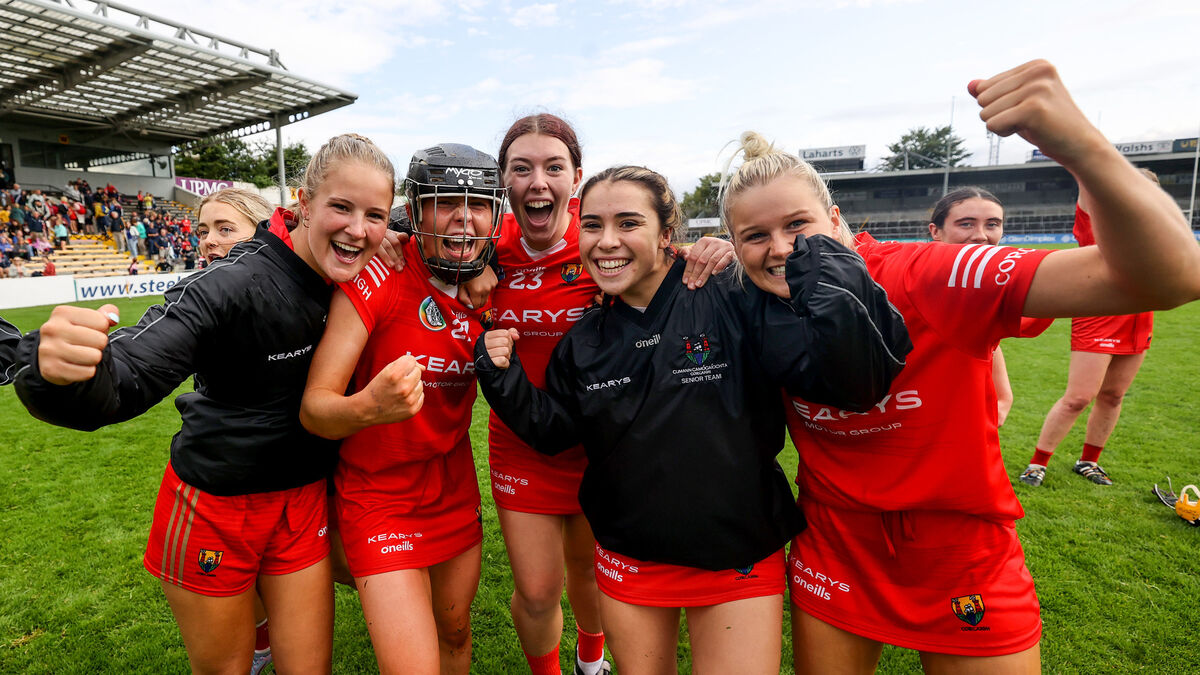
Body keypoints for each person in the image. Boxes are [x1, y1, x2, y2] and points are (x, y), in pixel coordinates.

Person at [718, 60, 1200, 673]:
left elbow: (1176, 277)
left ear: (835, 218)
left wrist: (1083, 149)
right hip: (835, 547)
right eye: (753, 235)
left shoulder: (924, 274)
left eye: (797, 224)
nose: (780, 248)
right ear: (733, 247)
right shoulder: (745, 298)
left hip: (962, 547)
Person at [476, 165, 909, 674]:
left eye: (628, 223)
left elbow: (849, 382)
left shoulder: (733, 295)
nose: (606, 241)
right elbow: (558, 432)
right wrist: (501, 377)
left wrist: (824, 273)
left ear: (667, 234)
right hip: (628, 558)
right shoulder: (585, 340)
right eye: (592, 225)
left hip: (739, 557)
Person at [12, 133, 396, 674]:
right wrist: (63, 376)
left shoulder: (358, 267)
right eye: (340, 207)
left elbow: (457, 242)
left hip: (303, 500)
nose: (358, 228)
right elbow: (130, 376)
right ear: (303, 204)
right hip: (216, 508)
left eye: (374, 215)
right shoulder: (231, 284)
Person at [486, 113, 735, 675]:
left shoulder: (602, 238)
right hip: (524, 443)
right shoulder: (486, 247)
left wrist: (721, 249)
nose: (537, 182)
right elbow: (418, 245)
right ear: (504, 180)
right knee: (536, 591)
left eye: (553, 167)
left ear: (576, 176)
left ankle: (590, 659)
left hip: (608, 442)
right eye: (521, 168)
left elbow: (667, 263)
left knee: (591, 578)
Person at [300, 142, 507, 675]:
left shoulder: (491, 285)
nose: (465, 216)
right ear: (414, 213)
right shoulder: (379, 273)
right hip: (378, 497)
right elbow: (316, 408)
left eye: (479, 203)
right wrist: (370, 407)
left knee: (457, 634)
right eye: (446, 202)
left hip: (453, 487)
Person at [1020, 169, 1164, 488]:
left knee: (1113, 396)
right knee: (1079, 397)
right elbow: (1088, 182)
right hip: (1098, 317)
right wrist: (1093, 164)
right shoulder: (1098, 223)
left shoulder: (1157, 232)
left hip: (1139, 319)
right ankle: (1037, 463)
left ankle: (1088, 461)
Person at [926, 187, 1051, 426]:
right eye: (966, 224)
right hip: (909, 419)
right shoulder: (908, 276)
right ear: (936, 231)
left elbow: (988, 338)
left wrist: (1003, 397)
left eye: (992, 224)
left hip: (965, 422)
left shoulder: (986, 284)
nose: (981, 235)